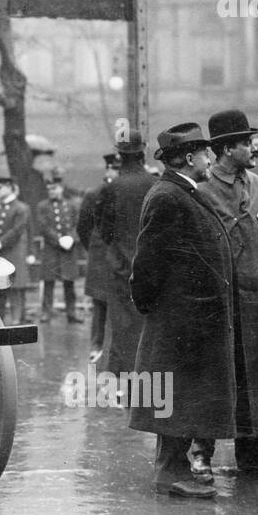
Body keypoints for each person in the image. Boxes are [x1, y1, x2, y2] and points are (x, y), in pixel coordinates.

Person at [128, 123, 234, 499]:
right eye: (206, 153)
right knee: (176, 396)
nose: (210, 159)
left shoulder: (181, 192)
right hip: (181, 319)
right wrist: (159, 308)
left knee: (184, 396)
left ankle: (176, 469)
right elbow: (148, 265)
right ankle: (170, 473)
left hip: (191, 317)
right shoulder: (168, 197)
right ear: (190, 158)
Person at [189, 110, 258, 481]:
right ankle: (201, 454)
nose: (253, 148)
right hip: (219, 301)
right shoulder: (202, 189)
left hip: (256, 298)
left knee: (257, 377)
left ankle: (251, 454)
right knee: (214, 376)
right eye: (247, 143)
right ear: (226, 149)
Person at [96, 130, 155, 377]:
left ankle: (125, 384)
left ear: (120, 156)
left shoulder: (112, 188)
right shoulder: (155, 183)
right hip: (150, 267)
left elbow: (104, 228)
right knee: (148, 326)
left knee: (122, 327)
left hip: (120, 266)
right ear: (142, 154)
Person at [77, 152, 119, 356]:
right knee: (100, 303)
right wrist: (94, 249)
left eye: (116, 168)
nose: (112, 172)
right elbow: (82, 227)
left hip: (120, 257)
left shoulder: (125, 192)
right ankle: (97, 345)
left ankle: (113, 347)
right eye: (111, 168)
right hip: (100, 256)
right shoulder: (94, 194)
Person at [35, 169, 82, 324]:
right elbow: (43, 226)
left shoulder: (72, 205)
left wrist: (71, 238)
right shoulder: (42, 206)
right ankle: (46, 312)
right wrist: (58, 239)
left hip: (68, 250)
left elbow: (78, 225)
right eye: (49, 189)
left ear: (61, 188)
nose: (51, 191)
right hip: (51, 249)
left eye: (54, 188)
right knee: (49, 282)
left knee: (69, 283)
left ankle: (71, 313)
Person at [0, 175, 30, 324]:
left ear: (9, 188)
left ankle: (17, 321)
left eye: (0, 188)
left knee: (15, 288)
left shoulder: (21, 208)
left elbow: (17, 230)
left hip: (13, 252)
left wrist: (0, 242)